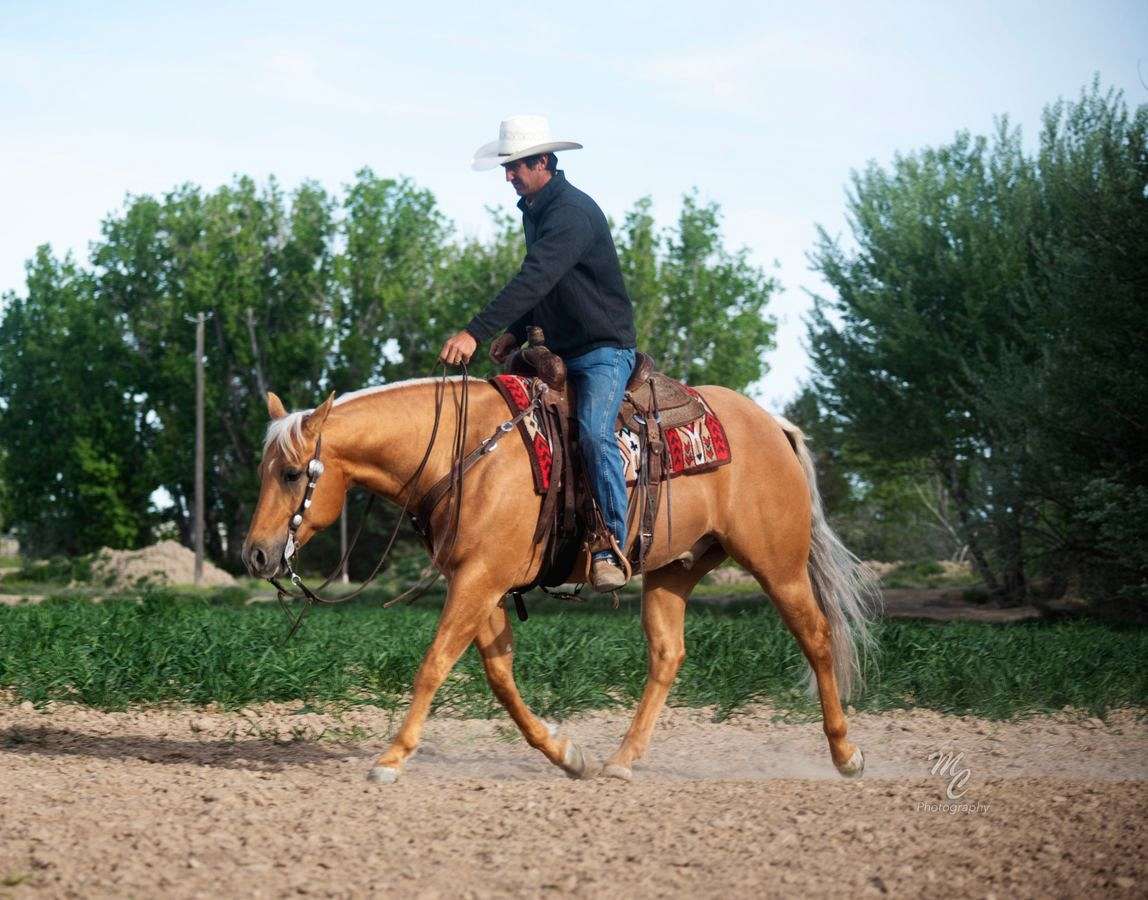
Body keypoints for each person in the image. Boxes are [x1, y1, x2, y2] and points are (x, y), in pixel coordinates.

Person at [438, 115, 636, 591]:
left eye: (516, 166)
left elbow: (537, 277)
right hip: (562, 349)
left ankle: (611, 543)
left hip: (604, 350)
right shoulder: (536, 207)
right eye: (506, 167)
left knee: (592, 433)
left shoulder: (570, 212)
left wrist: (475, 332)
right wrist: (518, 329)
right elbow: (551, 284)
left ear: (543, 161)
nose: (508, 176)